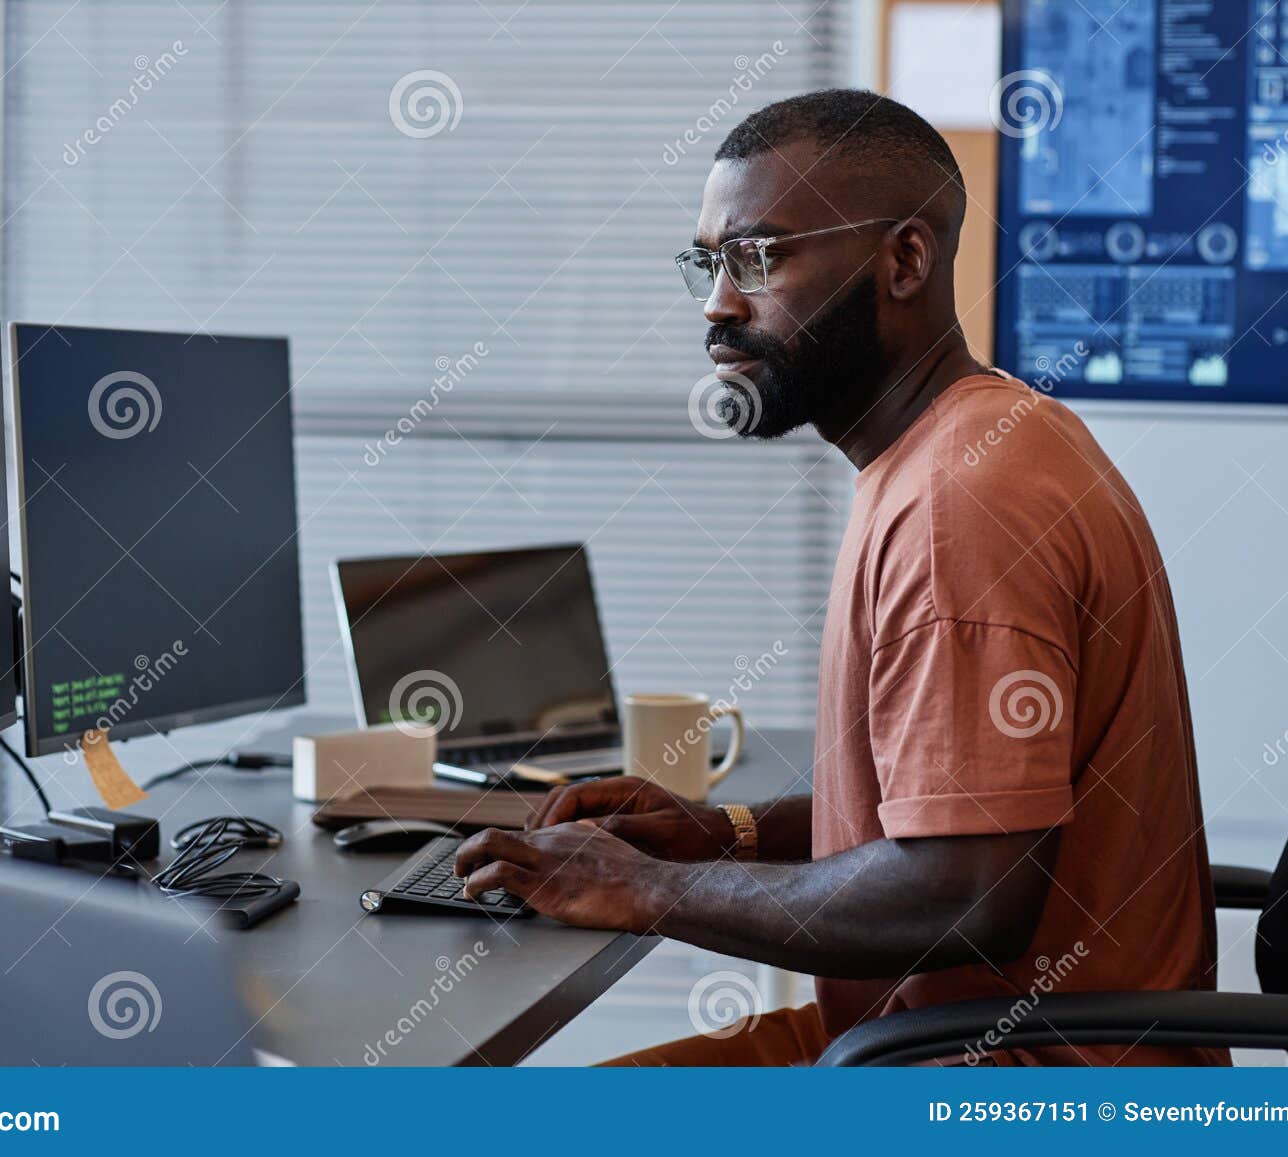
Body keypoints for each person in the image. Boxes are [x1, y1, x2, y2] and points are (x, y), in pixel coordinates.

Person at [454, 89, 1225, 1066]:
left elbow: (964, 893)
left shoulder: (960, 505)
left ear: (903, 261)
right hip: (916, 1038)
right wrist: (722, 833)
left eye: (758, 257)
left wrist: (640, 885)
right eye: (707, 261)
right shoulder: (972, 442)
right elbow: (939, 815)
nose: (717, 302)